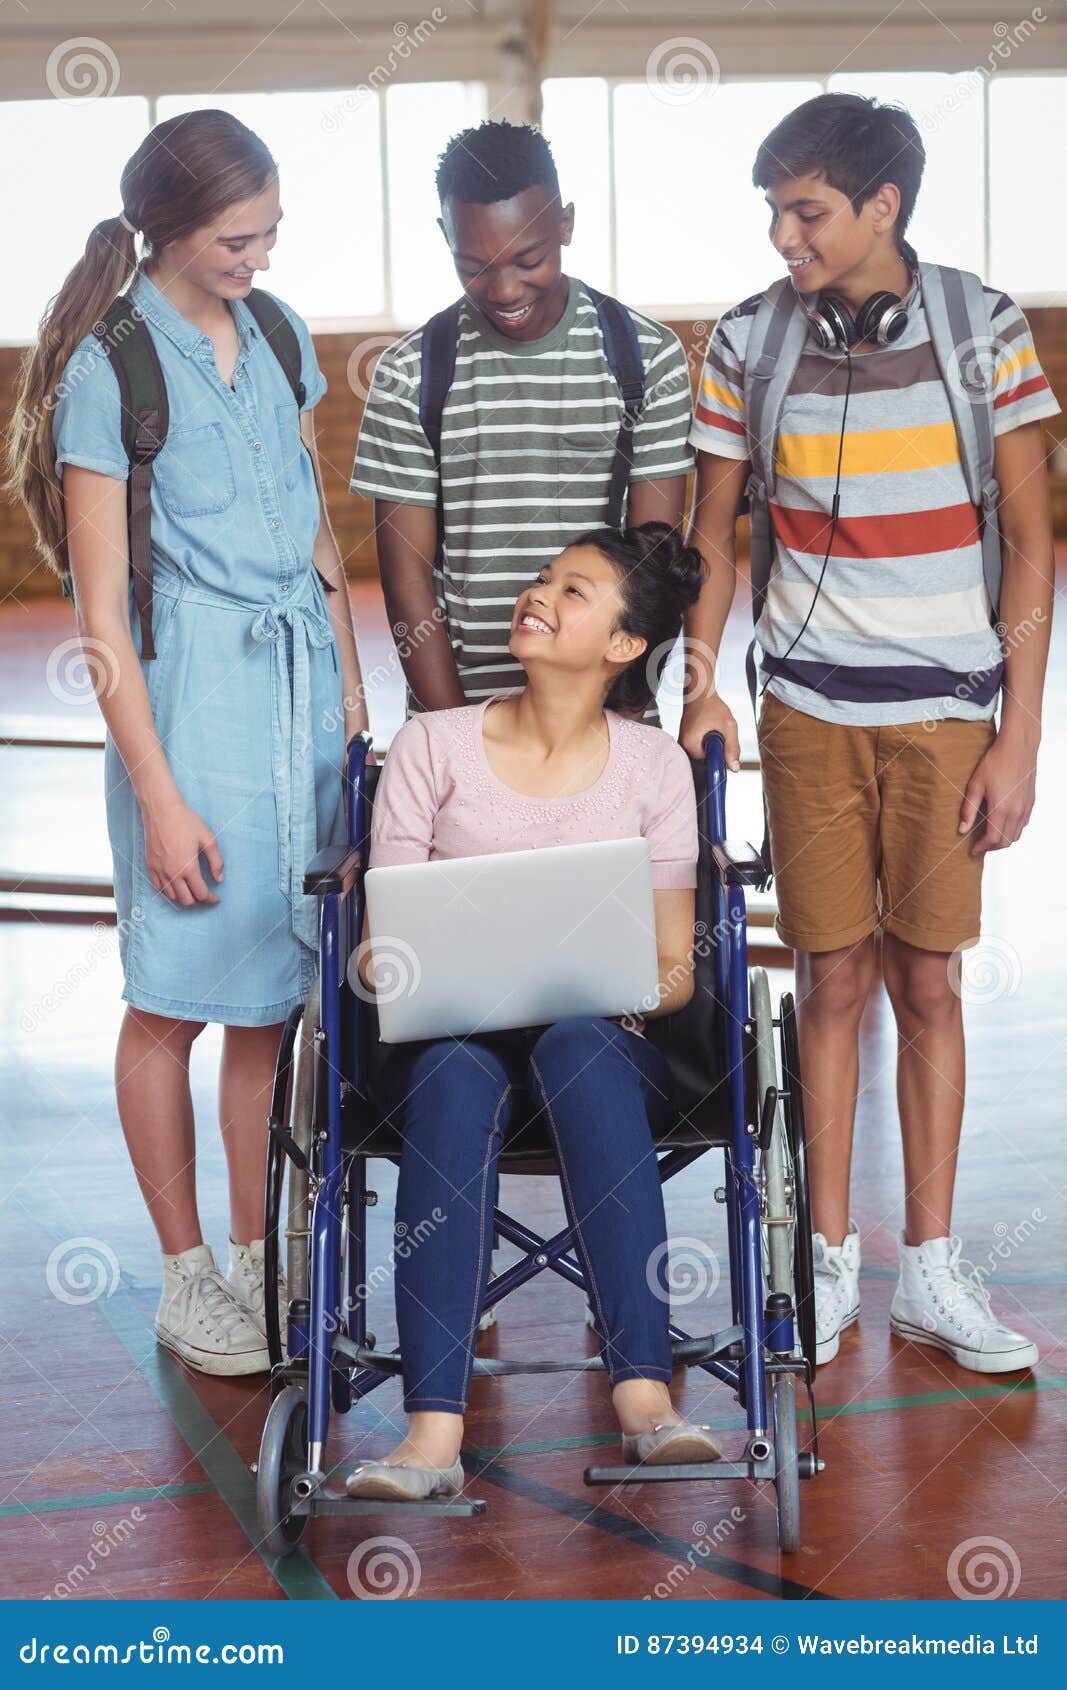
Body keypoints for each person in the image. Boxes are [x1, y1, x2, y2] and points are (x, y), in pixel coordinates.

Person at [682, 93, 1057, 1371]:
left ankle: (933, 1275)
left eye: (807, 212)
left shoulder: (978, 327)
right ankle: (827, 1260)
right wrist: (699, 680)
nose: (783, 235)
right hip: (807, 715)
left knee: (929, 982)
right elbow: (712, 536)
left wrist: (1017, 734)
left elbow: (1029, 542)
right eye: (774, 211)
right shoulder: (747, 341)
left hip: (947, 715)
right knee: (829, 980)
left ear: (880, 209)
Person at [5, 109, 371, 1376]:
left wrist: (350, 685)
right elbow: (101, 614)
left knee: (270, 1006)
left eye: (269, 234)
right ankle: (183, 1275)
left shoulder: (270, 331)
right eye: (234, 238)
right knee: (173, 1001)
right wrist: (158, 794)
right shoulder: (113, 367)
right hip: (193, 709)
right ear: (167, 228)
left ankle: (263, 1252)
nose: (257, 258)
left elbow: (315, 516)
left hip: (301, 699)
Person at [345, 523, 718, 1501]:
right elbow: (384, 947)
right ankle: (430, 1436)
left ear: (623, 646)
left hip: (600, 1050)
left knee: (581, 1044)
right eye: (542, 576)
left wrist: (589, 976)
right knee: (456, 1067)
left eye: (574, 590)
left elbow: (674, 969)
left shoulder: (651, 770)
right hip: (446, 1045)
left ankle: (644, 1398)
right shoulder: (432, 746)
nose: (539, 593)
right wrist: (409, 962)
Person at [350, 119, 694, 723]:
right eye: (474, 266)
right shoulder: (411, 373)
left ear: (565, 224)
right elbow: (406, 578)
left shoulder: (646, 357)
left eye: (529, 259)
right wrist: (456, 739)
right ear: (445, 235)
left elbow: (654, 566)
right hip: (459, 711)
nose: (504, 290)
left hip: (607, 717)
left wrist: (617, 724)